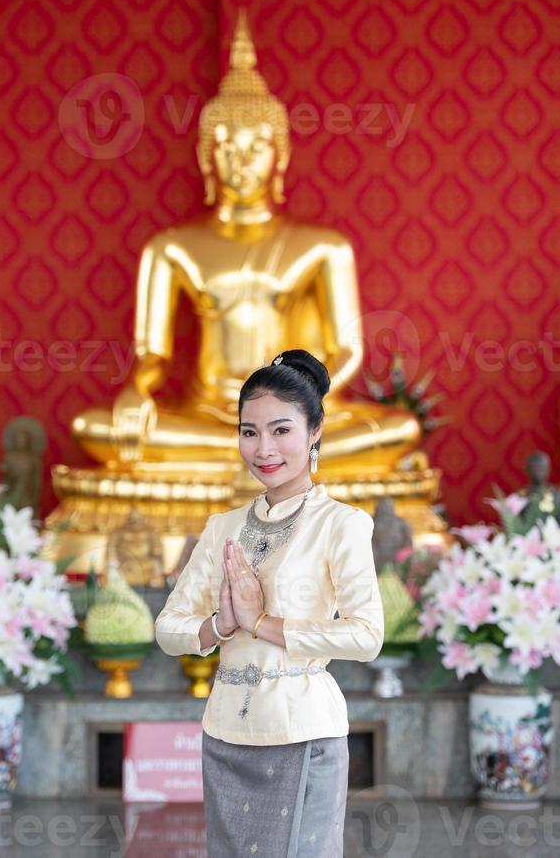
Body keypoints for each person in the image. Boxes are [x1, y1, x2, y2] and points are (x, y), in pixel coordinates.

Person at [154, 349, 384, 857]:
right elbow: (169, 629)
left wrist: (260, 622)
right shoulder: (222, 527)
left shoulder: (341, 524)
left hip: (303, 731)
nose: (264, 449)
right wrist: (222, 624)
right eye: (249, 432)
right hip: (226, 732)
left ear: (315, 431)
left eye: (281, 430)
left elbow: (367, 636)